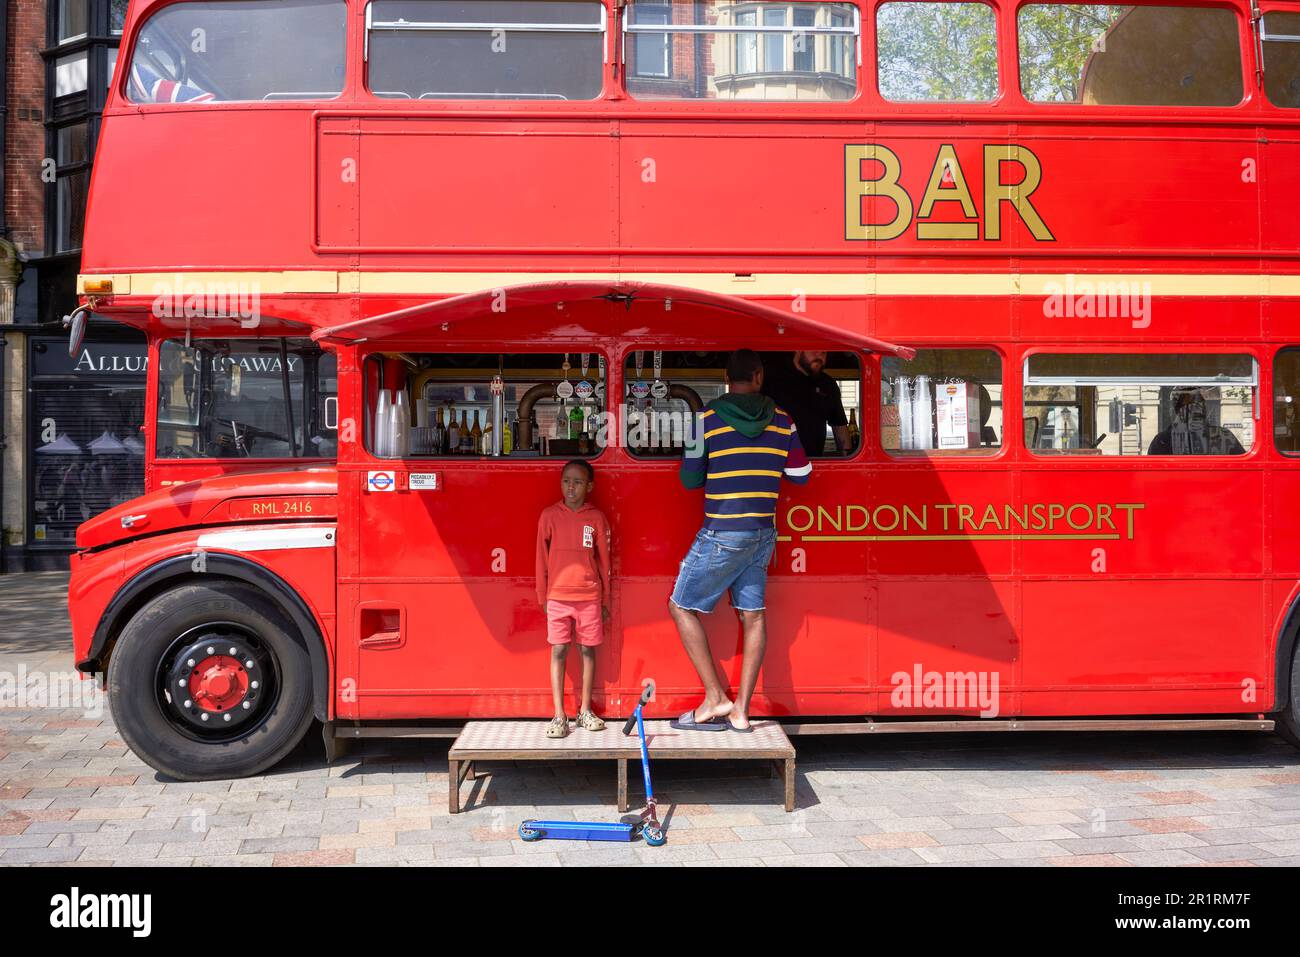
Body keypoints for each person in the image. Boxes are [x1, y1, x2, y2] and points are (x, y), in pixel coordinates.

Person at [668, 350, 812, 732]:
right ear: (760, 377)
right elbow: (801, 475)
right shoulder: (783, 421)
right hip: (763, 532)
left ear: (725, 378)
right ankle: (741, 712)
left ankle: (715, 696)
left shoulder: (705, 421)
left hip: (722, 533)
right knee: (754, 616)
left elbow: (689, 480)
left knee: (681, 606)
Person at [535, 459, 611, 738]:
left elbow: (604, 563)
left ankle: (585, 710)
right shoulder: (549, 516)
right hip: (557, 597)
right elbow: (540, 560)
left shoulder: (596, 518)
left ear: (589, 486)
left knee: (588, 651)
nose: (571, 487)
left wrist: (605, 601)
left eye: (578, 482)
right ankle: (559, 715)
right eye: (566, 480)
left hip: (589, 596)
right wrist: (542, 596)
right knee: (558, 651)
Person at [761, 351, 850, 456]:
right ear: (798, 350)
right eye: (815, 350)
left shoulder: (827, 385)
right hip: (777, 463)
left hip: (815, 463)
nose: (820, 356)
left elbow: (840, 428)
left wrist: (848, 459)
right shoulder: (771, 379)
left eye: (824, 353)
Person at [1147, 387, 1245, 456]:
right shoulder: (1163, 440)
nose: (1196, 410)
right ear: (1179, 411)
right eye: (1190, 406)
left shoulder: (1223, 436)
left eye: (1199, 405)